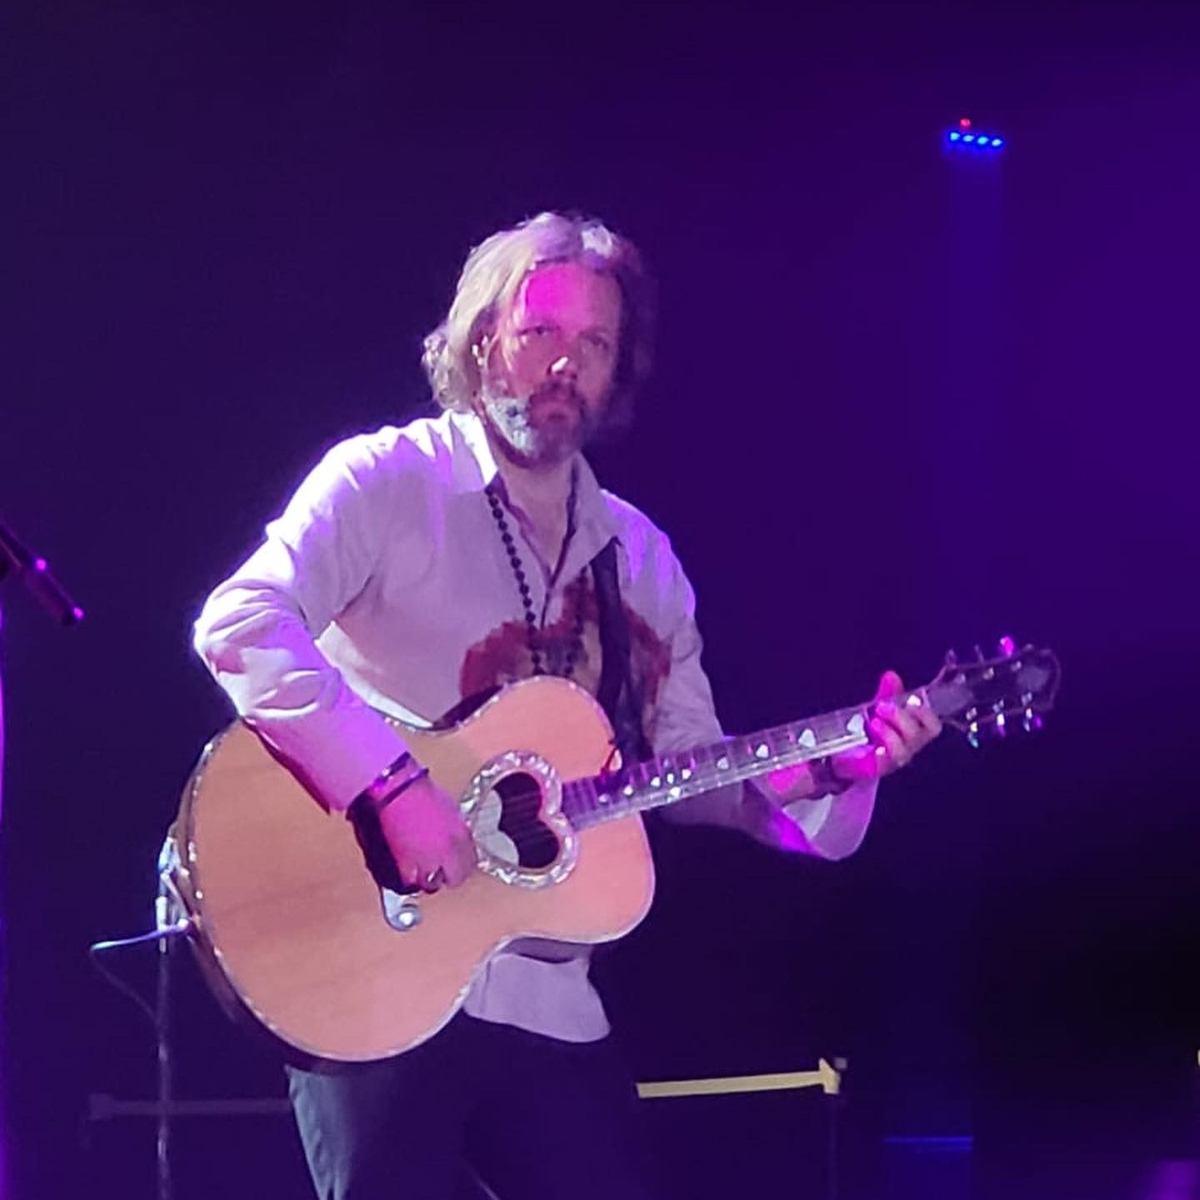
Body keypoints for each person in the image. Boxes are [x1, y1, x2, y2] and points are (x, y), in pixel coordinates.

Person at [193, 211, 942, 1200]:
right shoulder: (388, 481)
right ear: (481, 340)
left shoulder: (642, 560)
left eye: (594, 344)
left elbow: (689, 769)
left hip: (546, 995)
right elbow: (239, 622)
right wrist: (392, 787)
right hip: (373, 965)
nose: (564, 365)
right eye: (540, 330)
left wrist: (831, 771)